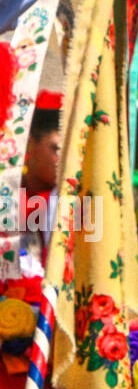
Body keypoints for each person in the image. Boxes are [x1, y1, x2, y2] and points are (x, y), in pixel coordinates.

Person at [18, 91, 61, 275]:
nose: (62, 158)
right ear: (31, 145)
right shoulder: (9, 190)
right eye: (56, 149)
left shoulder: (75, 203)